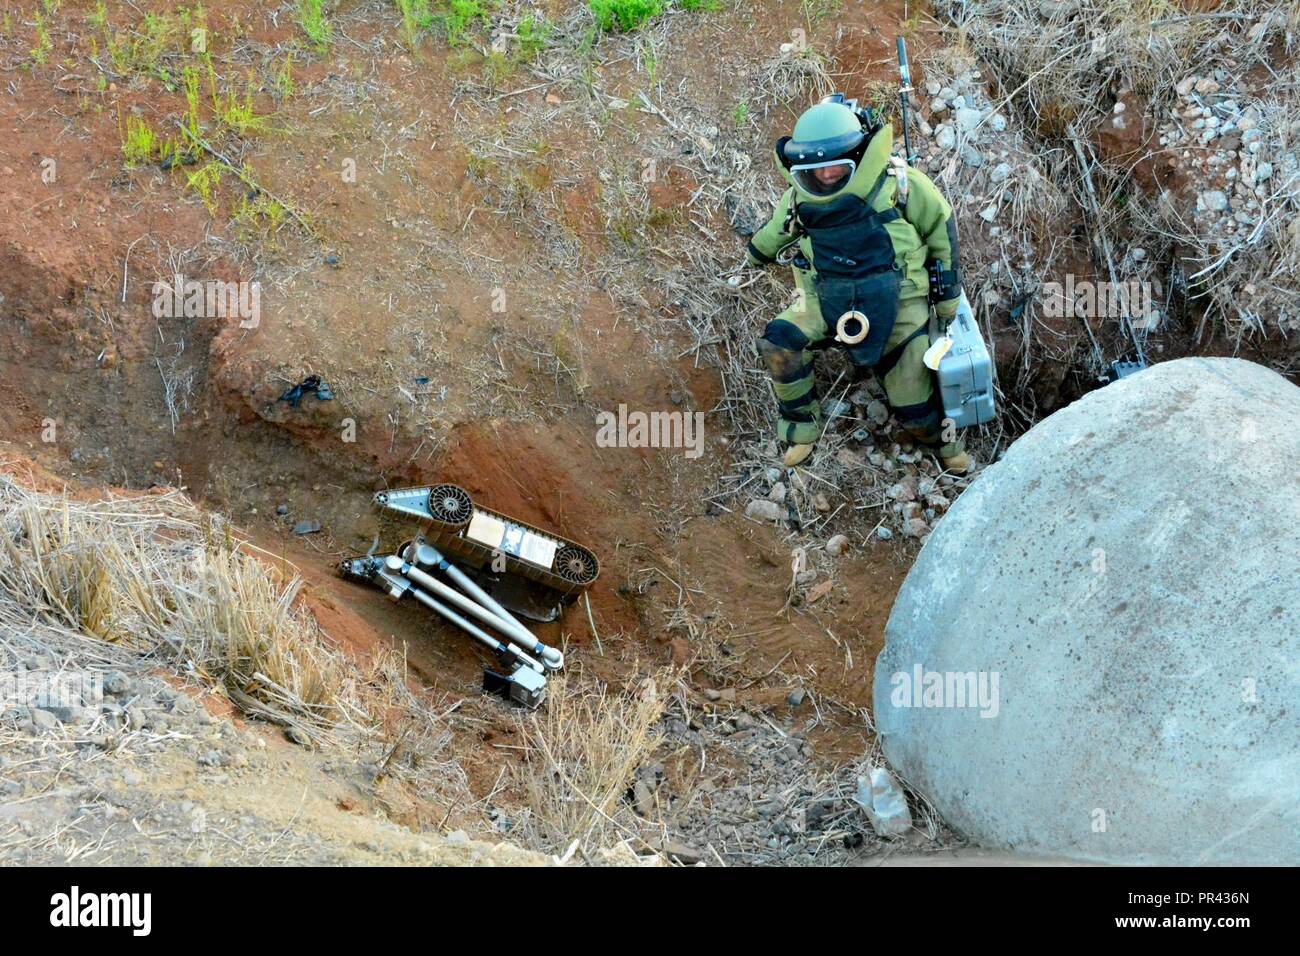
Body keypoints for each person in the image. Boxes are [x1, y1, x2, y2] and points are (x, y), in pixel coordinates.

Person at [745, 93, 972, 472]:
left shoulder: (901, 185)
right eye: (819, 170)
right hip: (825, 296)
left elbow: (941, 232)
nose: (828, 175)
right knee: (781, 342)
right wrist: (755, 255)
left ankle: (947, 445)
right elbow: (775, 232)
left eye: (837, 167)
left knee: (914, 408)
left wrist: (947, 299)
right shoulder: (799, 199)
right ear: (802, 167)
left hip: (902, 300)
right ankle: (800, 428)